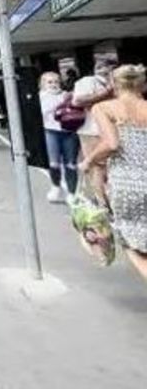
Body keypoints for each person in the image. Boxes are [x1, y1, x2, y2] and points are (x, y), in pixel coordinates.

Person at [80, 65, 147, 282]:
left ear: (115, 85)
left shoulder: (104, 108)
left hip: (127, 184)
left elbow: (112, 143)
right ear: (141, 84)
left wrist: (89, 160)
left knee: (129, 240)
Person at [73, 59, 117, 199]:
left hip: (113, 130)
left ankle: (109, 200)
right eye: (104, 68)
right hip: (91, 130)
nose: (107, 71)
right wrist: (106, 92)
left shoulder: (119, 83)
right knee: (96, 166)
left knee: (110, 167)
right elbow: (78, 101)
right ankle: (101, 202)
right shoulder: (87, 82)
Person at [39, 72, 79, 203]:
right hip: (51, 131)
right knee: (53, 163)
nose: (53, 84)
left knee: (71, 163)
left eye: (56, 81)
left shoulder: (66, 95)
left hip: (69, 132)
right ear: (43, 84)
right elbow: (42, 113)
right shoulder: (40, 97)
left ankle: (72, 193)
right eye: (49, 82)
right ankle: (56, 186)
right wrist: (61, 103)